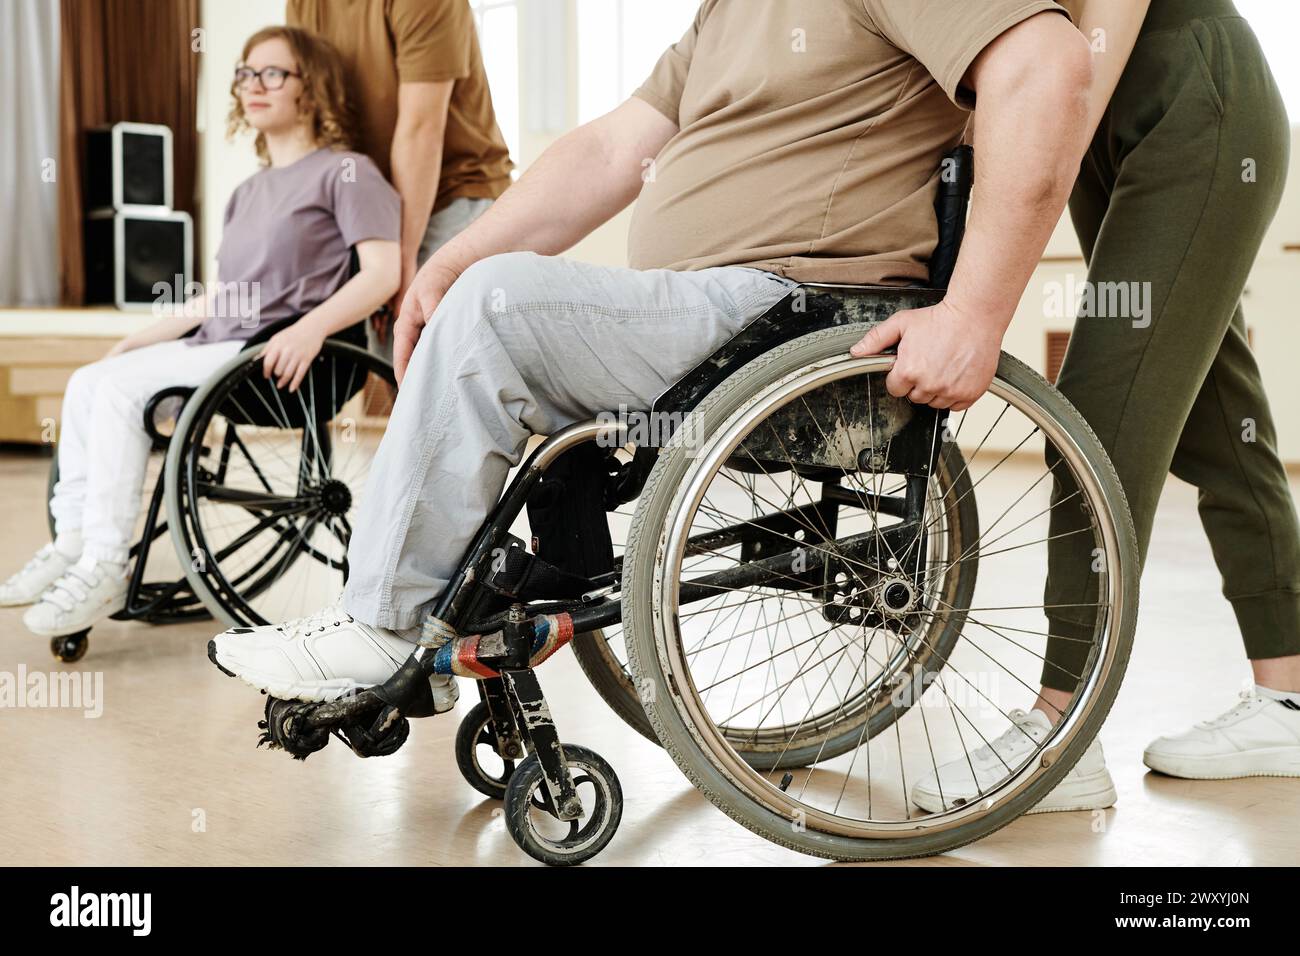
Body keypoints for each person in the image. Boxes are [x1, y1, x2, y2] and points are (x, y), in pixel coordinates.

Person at [211, 0, 1099, 735]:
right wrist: (446, 261)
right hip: (712, 308)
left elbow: (1049, 65)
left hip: (790, 308)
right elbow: (607, 153)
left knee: (500, 310)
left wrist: (976, 314)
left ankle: (383, 622)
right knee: (485, 297)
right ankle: (473, 603)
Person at [908, 0, 1300, 811]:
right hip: (1102, 121)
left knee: (1099, 413)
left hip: (1180, 100)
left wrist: (1037, 159)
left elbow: (1102, 26)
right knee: (1220, 421)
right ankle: (1290, 698)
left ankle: (1064, 731)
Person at [0, 26, 401, 641]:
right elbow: (222, 293)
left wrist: (312, 328)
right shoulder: (248, 191)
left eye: (272, 73)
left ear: (312, 88)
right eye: (245, 74)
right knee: (92, 378)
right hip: (220, 343)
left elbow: (383, 273)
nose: (253, 86)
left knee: (115, 393)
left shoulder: (347, 173)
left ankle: (105, 562)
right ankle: (75, 543)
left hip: (284, 355)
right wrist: (141, 338)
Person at [287, 0, 515, 362]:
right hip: (377, 206)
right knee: (392, 358)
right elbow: (317, 110)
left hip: (455, 195)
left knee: (432, 358)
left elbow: (421, 129)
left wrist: (401, 259)